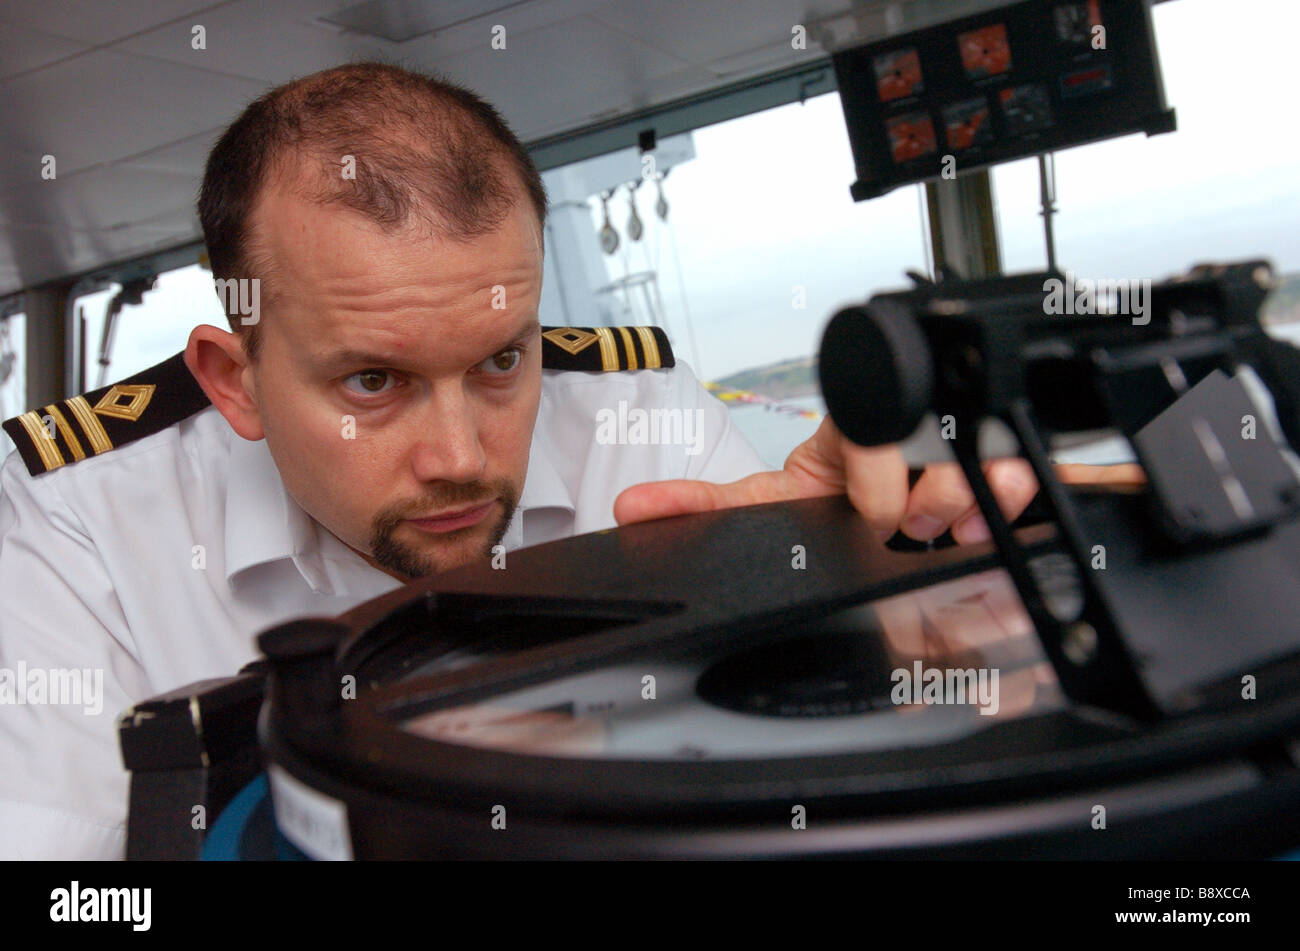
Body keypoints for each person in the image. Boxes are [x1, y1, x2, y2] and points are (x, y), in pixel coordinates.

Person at [0, 62, 1136, 860]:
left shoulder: (635, 408)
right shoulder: (68, 522)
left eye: (501, 361)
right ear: (232, 378)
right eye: (371, 383)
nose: (458, 459)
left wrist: (831, 583)